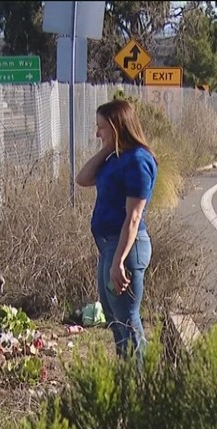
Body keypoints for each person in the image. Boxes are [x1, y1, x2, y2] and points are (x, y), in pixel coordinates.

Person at [75, 99, 157, 362]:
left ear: (117, 126)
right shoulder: (115, 157)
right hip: (108, 245)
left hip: (126, 248)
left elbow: (133, 217)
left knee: (127, 318)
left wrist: (119, 262)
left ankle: (138, 384)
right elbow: (83, 178)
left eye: (102, 128)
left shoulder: (138, 161)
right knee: (113, 317)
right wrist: (107, 148)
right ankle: (127, 379)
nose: (97, 134)